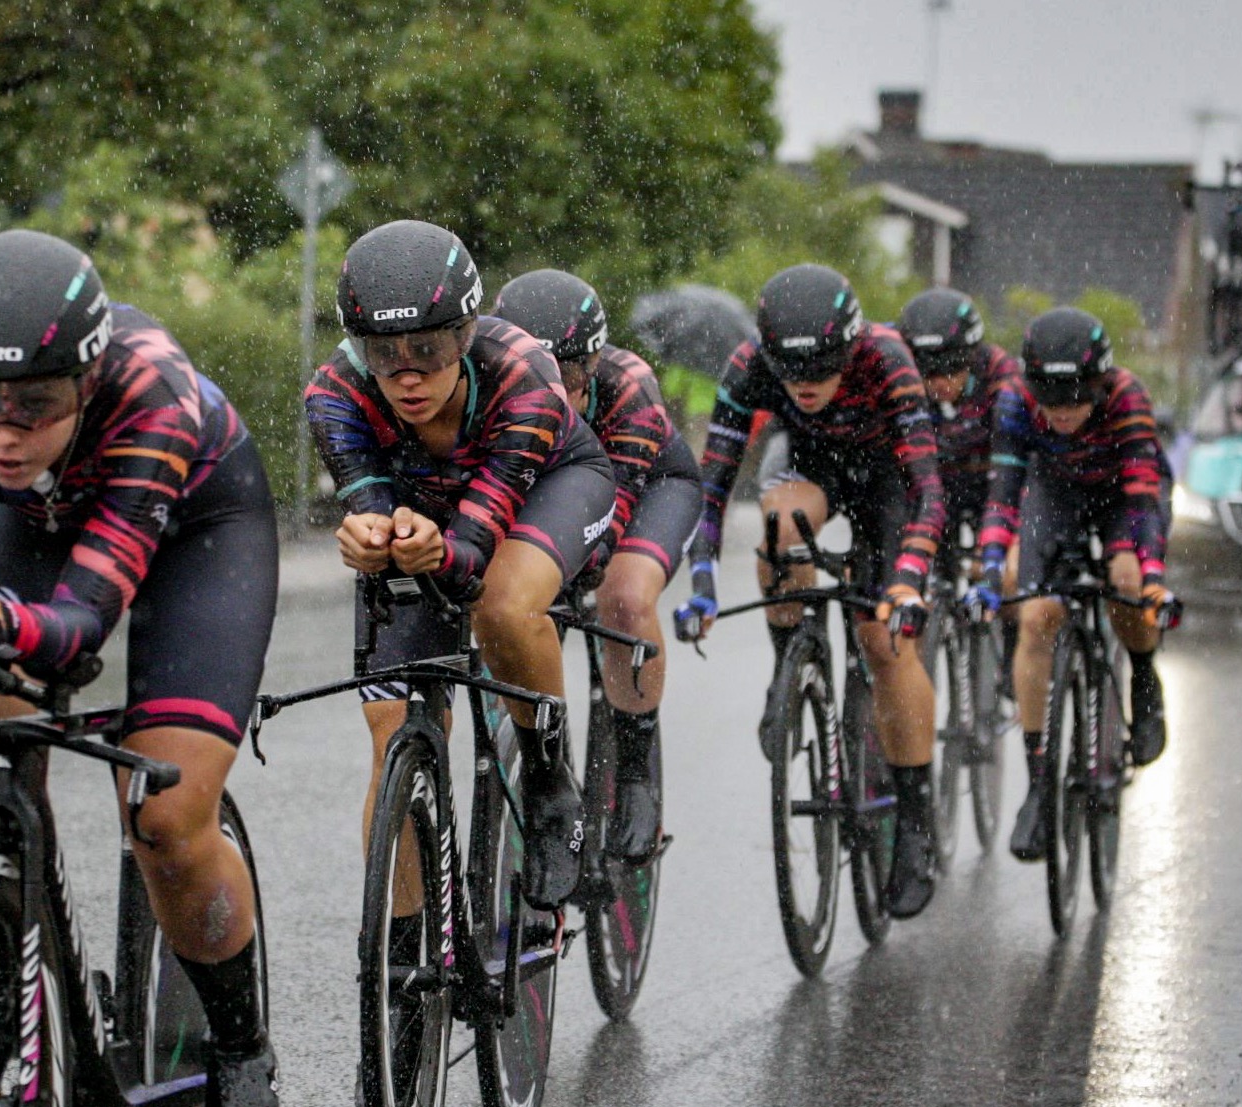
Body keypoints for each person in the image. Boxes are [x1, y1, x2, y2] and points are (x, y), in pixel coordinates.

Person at [0, 229, 280, 1105]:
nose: (4, 433)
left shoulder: (151, 391)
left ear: (88, 378)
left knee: (165, 817)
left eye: (37, 402)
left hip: (197, 527)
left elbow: (81, 626)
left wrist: (9, 618)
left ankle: (240, 1046)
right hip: (42, 520)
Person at [305, 221, 617, 918]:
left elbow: (472, 552)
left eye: (431, 347)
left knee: (503, 605)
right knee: (393, 733)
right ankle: (407, 945)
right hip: (433, 509)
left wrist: (438, 548)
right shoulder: (334, 393)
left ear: (469, 333)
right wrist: (370, 532)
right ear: (359, 350)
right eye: (385, 354)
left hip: (548, 487)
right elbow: (370, 505)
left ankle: (546, 778)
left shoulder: (526, 377)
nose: (408, 373)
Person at [677, 262, 946, 919]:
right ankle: (791, 660)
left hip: (885, 475)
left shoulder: (887, 358)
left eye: (823, 371)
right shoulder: (749, 364)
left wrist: (908, 579)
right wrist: (705, 575)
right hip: (807, 463)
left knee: (883, 640)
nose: (806, 386)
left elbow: (928, 490)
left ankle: (915, 814)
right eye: (792, 374)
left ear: (851, 347)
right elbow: (713, 483)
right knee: (779, 529)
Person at [493, 268, 702, 862]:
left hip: (647, 484)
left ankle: (635, 775)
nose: (562, 395)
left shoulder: (628, 384)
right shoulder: (482, 377)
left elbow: (606, 528)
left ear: (596, 361)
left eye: (576, 376)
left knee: (623, 596)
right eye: (542, 376)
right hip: (549, 481)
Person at [974, 306, 1178, 863]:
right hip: (1057, 491)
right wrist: (992, 569)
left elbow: (1141, 496)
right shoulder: (1016, 399)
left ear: (1100, 385)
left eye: (1075, 402)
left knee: (1124, 578)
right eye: (1051, 403)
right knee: (1037, 615)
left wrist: (1150, 574)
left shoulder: (1127, 395)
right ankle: (1040, 783)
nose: (1062, 414)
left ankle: (1141, 675)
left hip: (1122, 494)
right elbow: (1004, 490)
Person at [897, 287, 1025, 685]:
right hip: (934, 484)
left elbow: (1009, 476)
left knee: (1007, 574)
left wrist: (993, 560)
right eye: (928, 372)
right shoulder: (899, 372)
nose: (939, 382)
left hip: (991, 481)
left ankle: (1009, 647)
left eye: (951, 369)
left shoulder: (1001, 376)